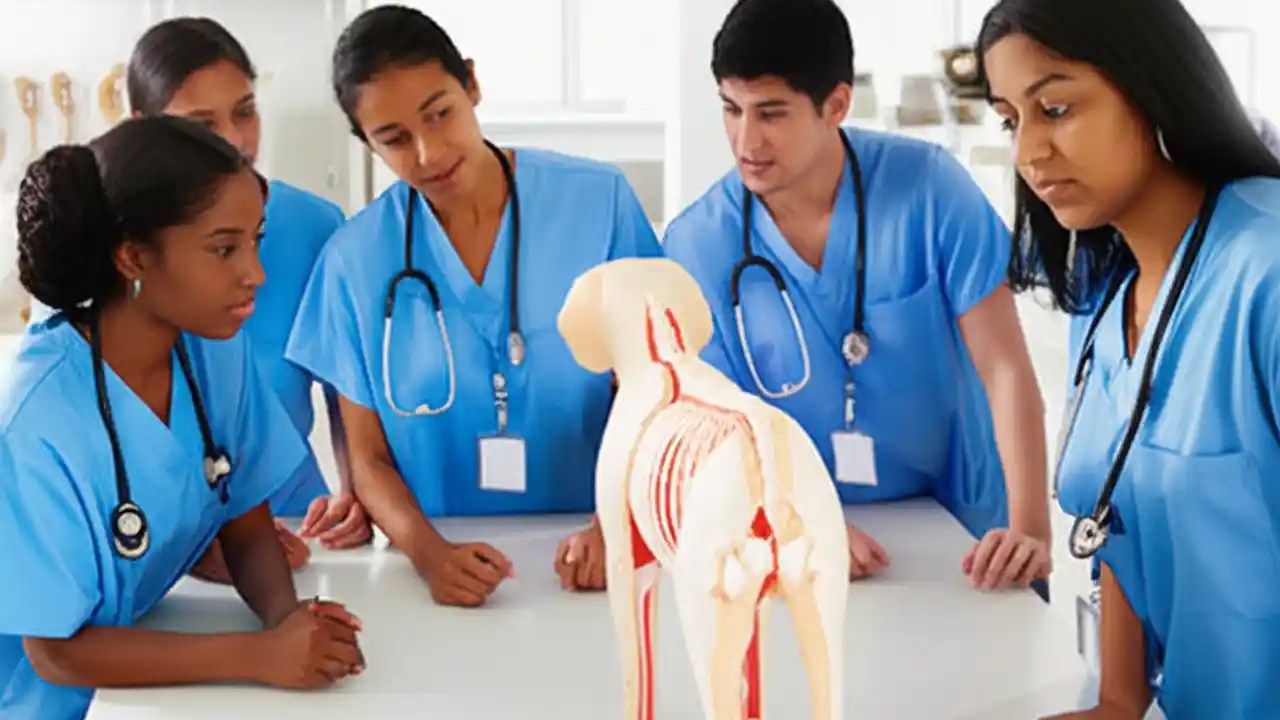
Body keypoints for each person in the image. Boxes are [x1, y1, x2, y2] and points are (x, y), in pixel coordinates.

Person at [661, 0, 1052, 591]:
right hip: (797, 539)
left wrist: (1031, 529)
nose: (746, 140)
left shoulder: (929, 188)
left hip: (962, 529)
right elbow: (715, 421)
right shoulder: (698, 241)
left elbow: (1003, 365)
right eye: (731, 109)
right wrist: (793, 521)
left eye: (771, 113)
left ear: (836, 105)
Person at [285, 5, 662, 607]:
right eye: (394, 139)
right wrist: (427, 554)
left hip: (597, 557)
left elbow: (652, 390)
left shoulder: (597, 203)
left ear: (472, 83)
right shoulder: (353, 261)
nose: (429, 152)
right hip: (444, 563)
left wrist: (618, 523)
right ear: (366, 144)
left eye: (440, 114)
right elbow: (369, 457)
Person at [0, 116, 364, 719]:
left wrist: (288, 621)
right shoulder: (36, 423)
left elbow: (246, 525)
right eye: (224, 249)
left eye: (256, 240)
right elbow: (56, 654)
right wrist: (257, 655)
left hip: (149, 689)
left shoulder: (216, 350)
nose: (256, 274)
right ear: (134, 256)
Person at [979, 0, 1280, 717]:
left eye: (1054, 108)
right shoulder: (1109, 305)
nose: (1029, 154)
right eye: (1011, 120)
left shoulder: (1266, 269)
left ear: (1151, 88)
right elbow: (1119, 515)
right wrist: (1115, 701)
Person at [123, 17, 373, 582]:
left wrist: (354, 497)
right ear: (145, 129)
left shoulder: (314, 227)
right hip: (157, 548)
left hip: (294, 537)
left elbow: (347, 396)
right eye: (201, 122)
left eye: (244, 110)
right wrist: (189, 551)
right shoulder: (113, 249)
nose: (235, 140)